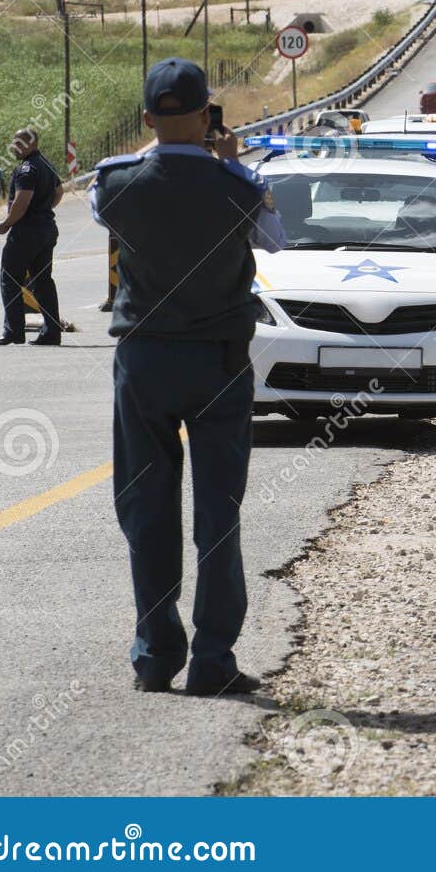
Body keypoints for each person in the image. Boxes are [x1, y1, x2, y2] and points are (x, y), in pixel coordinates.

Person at [90, 58, 284, 697]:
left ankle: (155, 654)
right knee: (218, 513)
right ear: (208, 116)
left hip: (144, 360)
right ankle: (212, 659)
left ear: (147, 118)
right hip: (219, 361)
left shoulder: (114, 183)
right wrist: (229, 163)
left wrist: (178, 147)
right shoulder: (240, 186)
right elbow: (276, 240)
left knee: (146, 509)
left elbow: (119, 193)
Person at [0, 130, 63, 346]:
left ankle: (13, 332)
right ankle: (51, 333)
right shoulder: (46, 164)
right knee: (42, 281)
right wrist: (44, 209)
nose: (14, 147)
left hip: (26, 232)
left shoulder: (26, 169)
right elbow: (59, 191)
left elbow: (22, 201)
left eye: (17, 143)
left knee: (9, 279)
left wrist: (5, 224)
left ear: (29, 144)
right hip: (46, 229)